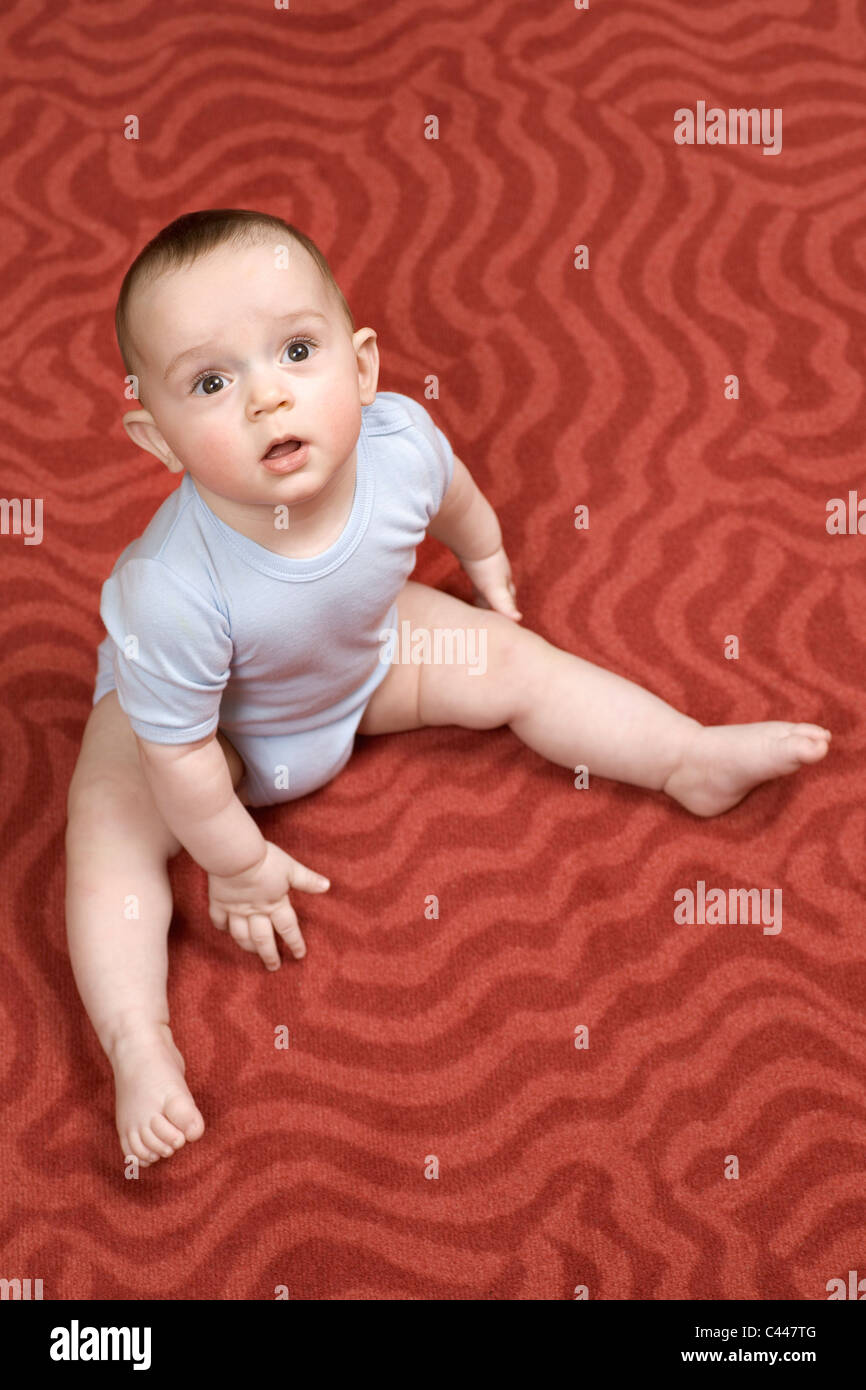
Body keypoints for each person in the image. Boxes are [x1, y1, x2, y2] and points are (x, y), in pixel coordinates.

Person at [65, 209, 831, 1168]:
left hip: (361, 664)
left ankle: (686, 755)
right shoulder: (169, 590)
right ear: (158, 438)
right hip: (205, 736)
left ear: (364, 368)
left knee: (514, 664)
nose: (268, 398)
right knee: (105, 825)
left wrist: (490, 563)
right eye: (212, 382)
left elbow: (458, 498)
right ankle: (139, 1042)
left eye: (297, 351)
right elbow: (177, 754)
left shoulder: (398, 446)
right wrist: (233, 859)